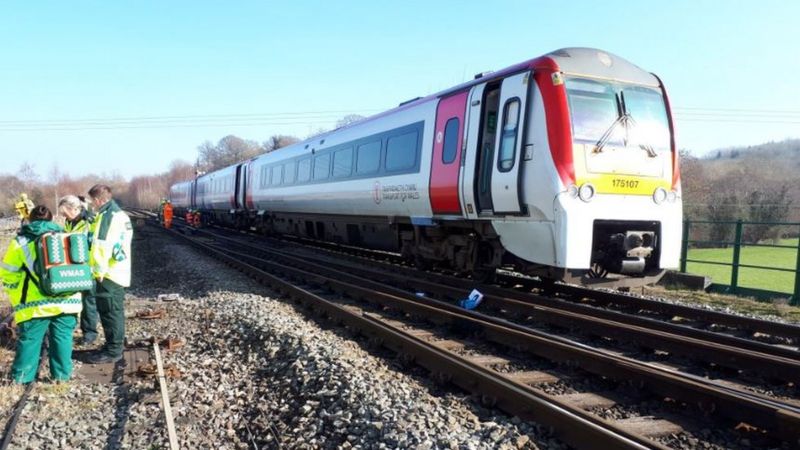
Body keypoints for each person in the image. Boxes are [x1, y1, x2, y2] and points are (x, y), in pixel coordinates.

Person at [0, 205, 83, 383]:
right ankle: (61, 377)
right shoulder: (66, 237)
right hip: (68, 299)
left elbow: (8, 273)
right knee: (62, 338)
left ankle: (21, 378)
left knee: (30, 340)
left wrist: (16, 294)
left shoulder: (21, 242)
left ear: (29, 220)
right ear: (51, 220)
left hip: (36, 304)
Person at [86, 184, 133, 364]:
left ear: (99, 200)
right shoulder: (118, 215)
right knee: (113, 311)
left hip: (108, 274)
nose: (92, 205)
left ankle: (113, 350)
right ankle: (112, 345)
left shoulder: (108, 217)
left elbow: (101, 246)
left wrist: (98, 271)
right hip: (116, 271)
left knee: (110, 312)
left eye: (93, 201)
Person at [58, 195, 98, 346]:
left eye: (65, 213)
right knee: (74, 299)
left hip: (88, 267)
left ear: (74, 209)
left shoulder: (89, 221)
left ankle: (90, 333)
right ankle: (72, 329)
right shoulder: (70, 221)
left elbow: (95, 244)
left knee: (88, 302)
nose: (63, 216)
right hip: (74, 267)